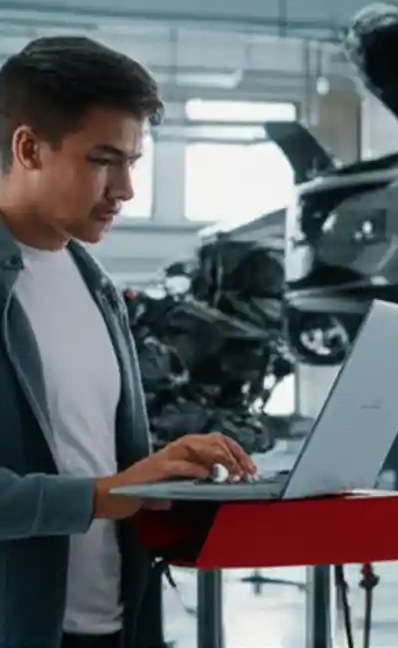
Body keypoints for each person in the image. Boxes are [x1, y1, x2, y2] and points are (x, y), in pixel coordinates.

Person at [0, 36, 258, 648]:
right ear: (29, 148)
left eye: (132, 163)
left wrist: (163, 474)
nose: (125, 190)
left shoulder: (97, 288)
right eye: (102, 160)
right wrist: (104, 495)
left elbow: (92, 458)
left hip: (115, 623)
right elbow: (95, 490)